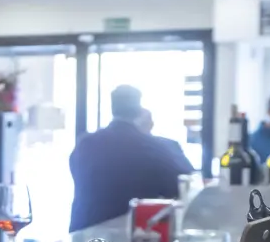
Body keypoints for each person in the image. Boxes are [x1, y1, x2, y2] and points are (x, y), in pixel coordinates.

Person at [67, 86, 193, 231]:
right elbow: (184, 186)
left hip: (82, 232)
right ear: (139, 110)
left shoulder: (85, 144)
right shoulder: (154, 146)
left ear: (113, 108)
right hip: (128, 234)